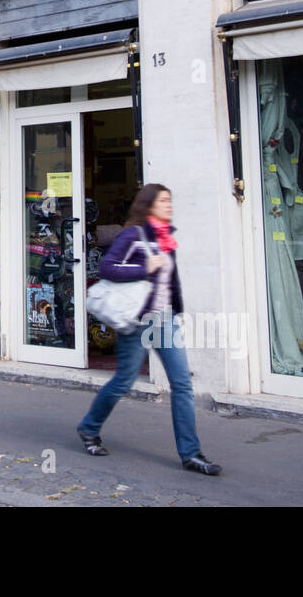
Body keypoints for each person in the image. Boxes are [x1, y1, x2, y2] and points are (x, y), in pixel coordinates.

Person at [76, 183, 223, 476]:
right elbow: (108, 268)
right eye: (163, 201)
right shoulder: (134, 234)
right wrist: (146, 268)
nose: (169, 205)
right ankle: (89, 427)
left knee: (182, 384)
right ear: (148, 205)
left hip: (164, 320)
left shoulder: (165, 237)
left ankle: (191, 454)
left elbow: (169, 282)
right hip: (138, 321)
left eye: (170, 200)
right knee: (123, 380)